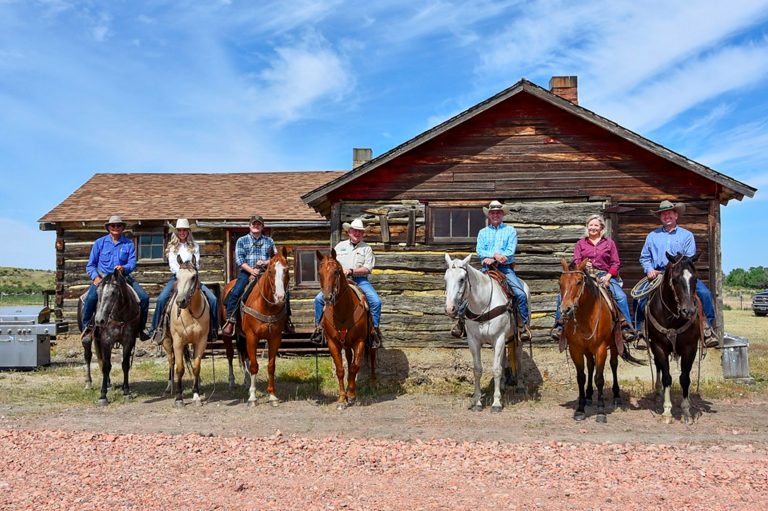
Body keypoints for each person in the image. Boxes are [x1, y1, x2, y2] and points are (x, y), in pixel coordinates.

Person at [636, 200, 719, 348]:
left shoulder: (686, 235)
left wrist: (676, 268)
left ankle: (707, 328)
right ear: (660, 217)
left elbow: (689, 257)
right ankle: (641, 331)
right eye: (663, 214)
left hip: (681, 274)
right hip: (659, 274)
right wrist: (649, 269)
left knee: (705, 294)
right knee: (639, 298)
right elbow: (645, 257)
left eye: (669, 213)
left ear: (676, 215)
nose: (666, 216)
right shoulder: (652, 236)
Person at [549, 214, 638, 342]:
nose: (593, 228)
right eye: (591, 225)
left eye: (596, 225)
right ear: (587, 227)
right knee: (562, 296)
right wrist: (583, 265)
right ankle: (560, 324)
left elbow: (615, 263)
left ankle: (626, 327)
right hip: (585, 275)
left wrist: (608, 276)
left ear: (601, 227)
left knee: (620, 296)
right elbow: (576, 260)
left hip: (604, 275)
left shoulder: (609, 243)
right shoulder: (581, 243)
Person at [452, 200, 530, 342]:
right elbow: (480, 250)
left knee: (520, 294)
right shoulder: (483, 232)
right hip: (486, 268)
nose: (495, 215)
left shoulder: (510, 231)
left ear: (502, 214)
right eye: (492, 213)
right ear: (489, 215)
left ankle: (522, 326)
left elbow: (510, 251)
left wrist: (494, 257)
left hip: (505, 268)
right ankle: (461, 323)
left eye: (498, 213)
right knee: (468, 291)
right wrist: (494, 255)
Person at [311, 218, 382, 347]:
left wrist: (351, 271)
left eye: (360, 231)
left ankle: (373, 331)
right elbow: (332, 264)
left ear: (363, 234)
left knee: (376, 301)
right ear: (349, 232)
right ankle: (319, 329)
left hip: (359, 280)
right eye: (354, 231)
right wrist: (339, 270)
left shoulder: (367, 249)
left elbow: (367, 268)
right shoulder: (340, 246)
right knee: (318, 300)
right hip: (339, 281)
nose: (357, 233)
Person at [147, 219, 219, 344]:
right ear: (176, 232)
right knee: (161, 299)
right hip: (178, 277)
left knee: (213, 299)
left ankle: (213, 329)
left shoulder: (194, 246)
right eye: (179, 230)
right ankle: (156, 329)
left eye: (184, 230)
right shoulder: (172, 247)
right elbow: (173, 266)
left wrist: (191, 271)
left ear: (188, 231)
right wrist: (182, 271)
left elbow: (197, 263)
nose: (182, 232)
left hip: (192, 278)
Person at [221, 214, 294, 336]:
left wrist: (265, 262)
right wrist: (251, 271)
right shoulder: (242, 240)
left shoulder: (269, 241)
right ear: (249, 226)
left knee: (284, 291)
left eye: (258, 224)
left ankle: (286, 321)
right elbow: (239, 260)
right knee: (236, 291)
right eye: (254, 224)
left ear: (262, 227)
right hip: (247, 271)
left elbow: (275, 258)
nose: (256, 226)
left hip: (266, 272)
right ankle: (231, 320)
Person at [81, 215, 150, 342]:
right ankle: (87, 329)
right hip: (103, 278)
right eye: (113, 225)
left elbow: (132, 263)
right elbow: (90, 265)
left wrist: (124, 268)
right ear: (108, 228)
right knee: (90, 298)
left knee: (144, 298)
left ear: (122, 228)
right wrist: (95, 277)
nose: (116, 228)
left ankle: (140, 329)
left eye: (118, 225)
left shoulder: (128, 244)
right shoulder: (99, 243)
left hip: (122, 277)